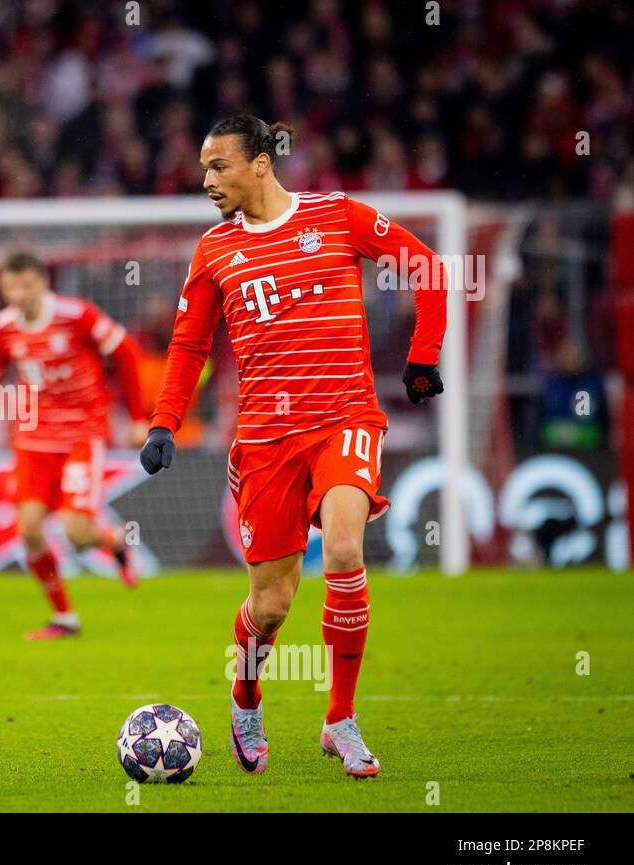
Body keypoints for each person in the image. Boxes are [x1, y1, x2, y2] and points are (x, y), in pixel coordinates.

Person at [139, 115, 447, 779]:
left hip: (345, 419)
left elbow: (425, 264)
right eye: (202, 167)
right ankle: (245, 695)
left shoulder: (336, 216)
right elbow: (190, 343)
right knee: (271, 605)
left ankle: (340, 717)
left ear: (260, 164)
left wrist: (423, 355)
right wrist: (164, 421)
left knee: (342, 548)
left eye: (218, 165)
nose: (206, 180)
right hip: (265, 441)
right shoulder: (214, 251)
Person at [0, 251, 149, 640]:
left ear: (43, 282)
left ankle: (113, 542)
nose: (18, 293)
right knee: (28, 530)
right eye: (10, 285)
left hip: (82, 435)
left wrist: (139, 416)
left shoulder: (77, 316)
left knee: (76, 531)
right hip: (33, 439)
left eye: (26, 284)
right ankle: (64, 618)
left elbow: (126, 351)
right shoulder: (3, 328)